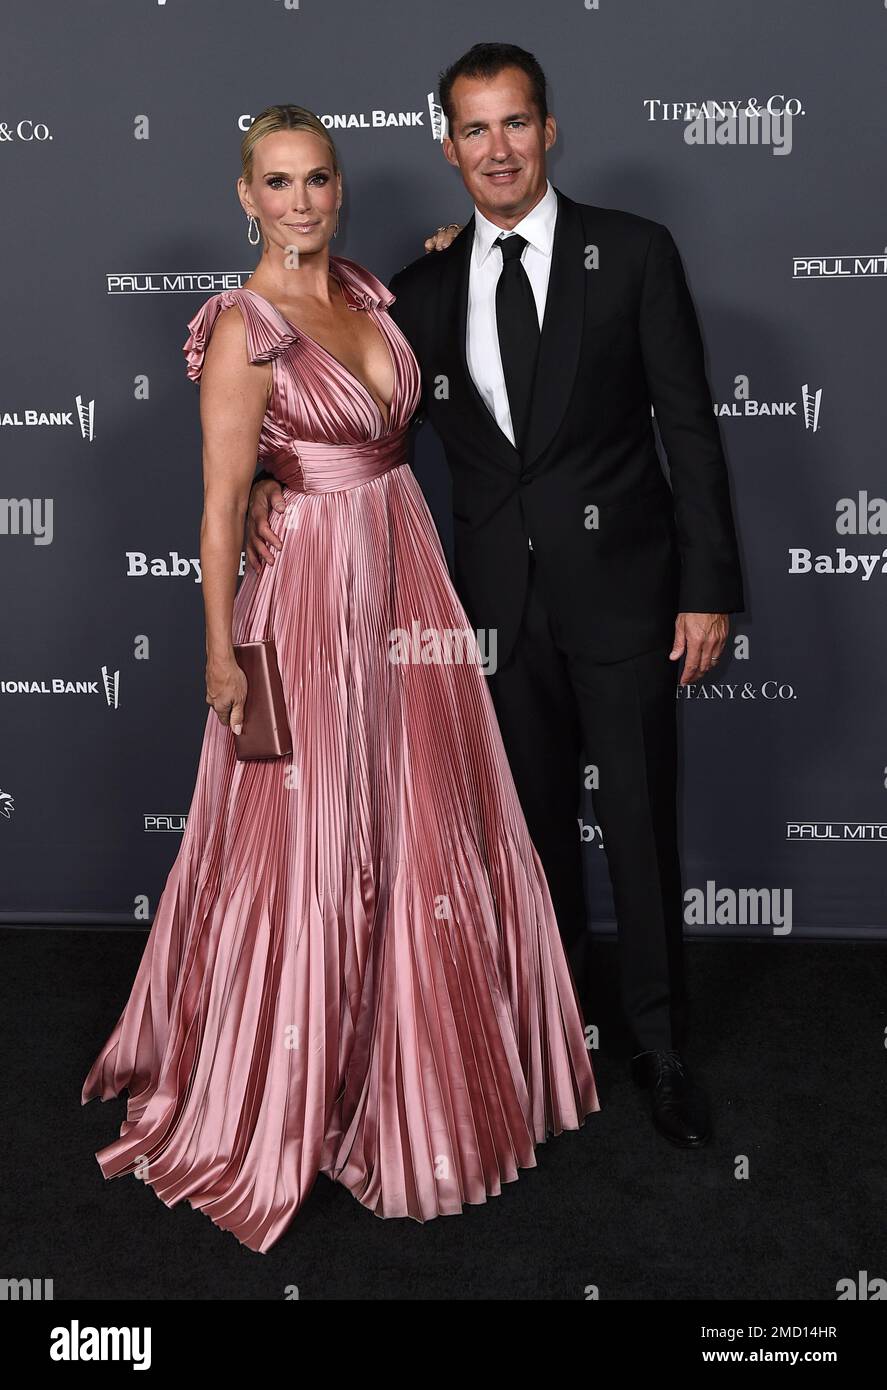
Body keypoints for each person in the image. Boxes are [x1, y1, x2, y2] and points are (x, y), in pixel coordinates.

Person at [80, 104, 599, 1254]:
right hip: (305, 599)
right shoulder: (240, 327)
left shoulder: (369, 295)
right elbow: (221, 509)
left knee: (421, 820)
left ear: (337, 187)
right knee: (302, 840)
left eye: (318, 179)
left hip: (403, 572)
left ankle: (410, 1083)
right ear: (245, 195)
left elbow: (407, 393)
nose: (302, 201)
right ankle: (287, 1087)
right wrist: (222, 650)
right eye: (278, 182)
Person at [247, 45, 744, 1148]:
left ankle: (658, 1046)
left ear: (548, 131)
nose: (497, 149)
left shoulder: (634, 253)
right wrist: (260, 492)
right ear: (447, 147)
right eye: (473, 130)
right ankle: (548, 1033)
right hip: (487, 614)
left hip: (625, 599)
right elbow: (339, 408)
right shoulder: (416, 292)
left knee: (639, 828)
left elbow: (687, 426)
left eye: (514, 124)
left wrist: (707, 586)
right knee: (518, 841)